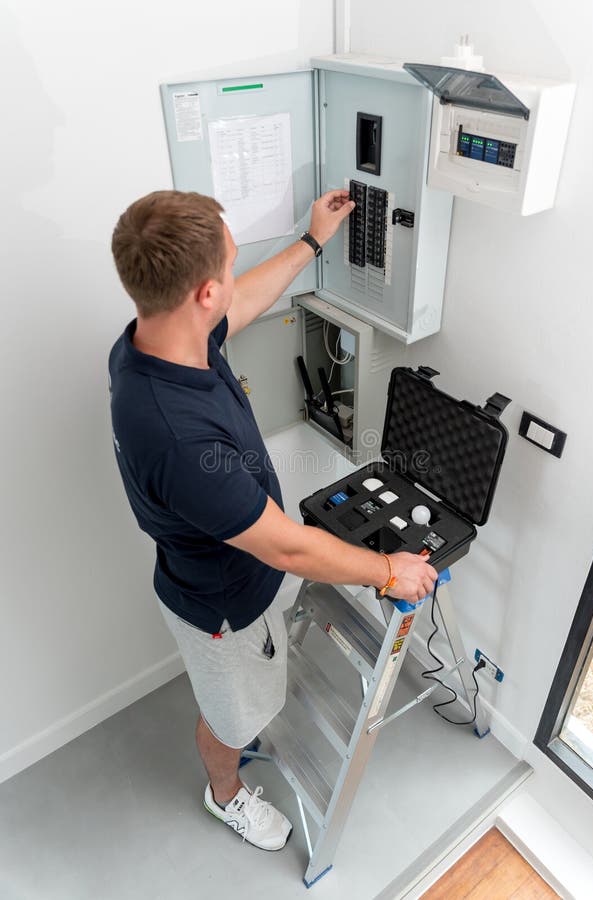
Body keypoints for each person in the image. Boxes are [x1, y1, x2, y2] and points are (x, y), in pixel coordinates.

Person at [109, 189, 437, 852]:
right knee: (234, 718)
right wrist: (387, 572)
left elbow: (243, 303)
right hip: (223, 608)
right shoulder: (181, 442)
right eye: (229, 266)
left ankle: (233, 744)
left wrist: (313, 243)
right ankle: (224, 794)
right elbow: (289, 549)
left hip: (220, 575)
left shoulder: (156, 341)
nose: (235, 278)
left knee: (245, 698)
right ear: (204, 292)